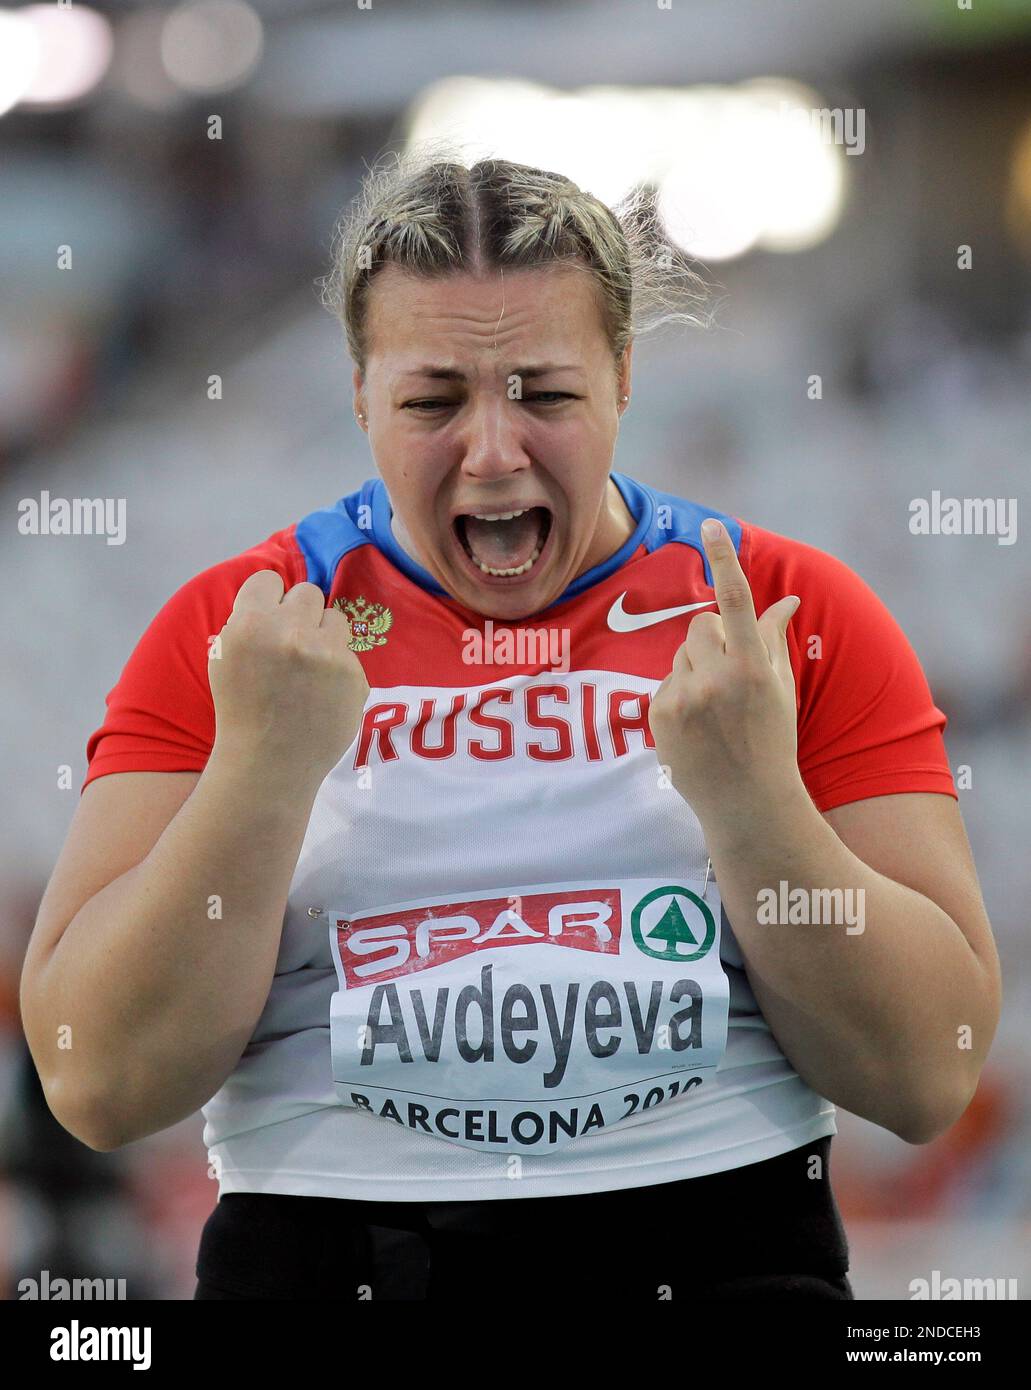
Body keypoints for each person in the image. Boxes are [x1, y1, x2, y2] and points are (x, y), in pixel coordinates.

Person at [20, 154, 1001, 1302]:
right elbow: (98, 1083)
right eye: (432, 401)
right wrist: (257, 777)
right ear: (359, 396)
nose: (491, 452)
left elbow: (926, 1075)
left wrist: (752, 800)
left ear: (623, 377)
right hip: (336, 1264)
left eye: (543, 393)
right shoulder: (240, 630)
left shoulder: (788, 613)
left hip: (720, 1259)